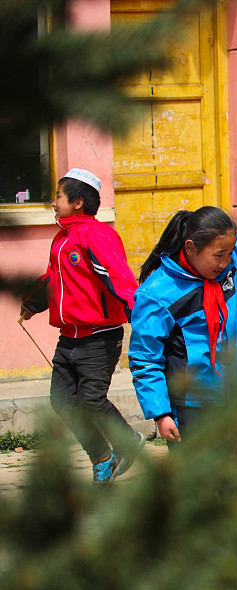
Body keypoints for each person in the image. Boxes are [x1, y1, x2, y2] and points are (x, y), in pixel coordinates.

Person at [128, 206, 237, 590]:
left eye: (228, 255)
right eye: (217, 256)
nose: (226, 263)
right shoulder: (158, 293)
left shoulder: (229, 259)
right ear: (190, 247)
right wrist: (160, 412)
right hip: (192, 410)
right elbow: (145, 358)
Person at [18, 168, 143, 482]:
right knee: (62, 402)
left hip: (99, 337)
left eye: (58, 196)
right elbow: (53, 280)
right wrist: (33, 303)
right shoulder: (62, 238)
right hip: (69, 338)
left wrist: (137, 312)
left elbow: (118, 277)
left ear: (77, 202)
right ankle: (102, 456)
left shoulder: (96, 234)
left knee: (90, 401)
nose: (54, 202)